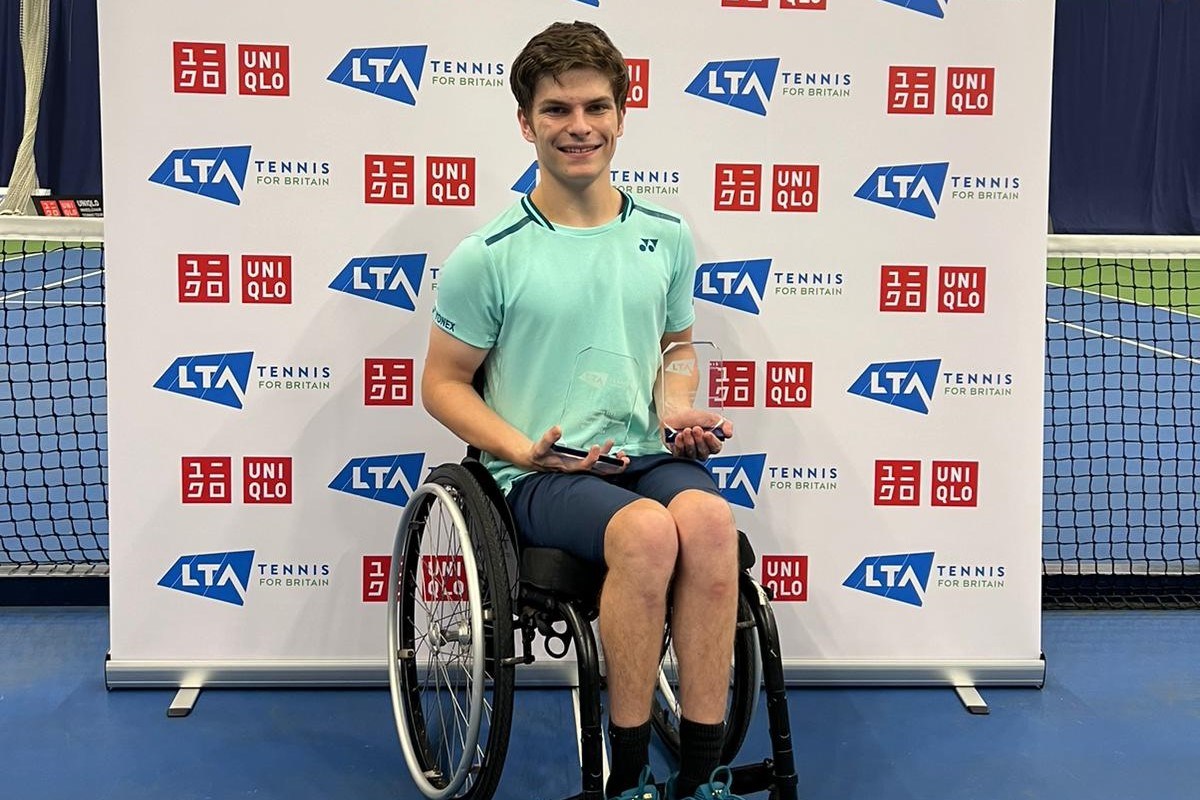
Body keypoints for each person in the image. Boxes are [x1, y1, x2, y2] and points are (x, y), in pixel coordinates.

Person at [422, 20, 740, 800]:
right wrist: (519, 448)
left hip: (644, 456)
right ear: (525, 123)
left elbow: (675, 349)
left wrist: (677, 411)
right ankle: (627, 779)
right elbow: (443, 383)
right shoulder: (489, 256)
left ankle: (701, 777)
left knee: (709, 523)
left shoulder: (667, 236)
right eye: (557, 110)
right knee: (646, 531)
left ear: (622, 116)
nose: (579, 126)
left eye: (596, 107)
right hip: (541, 475)